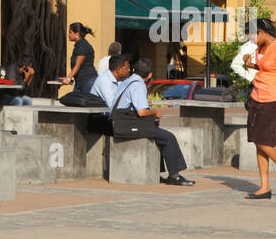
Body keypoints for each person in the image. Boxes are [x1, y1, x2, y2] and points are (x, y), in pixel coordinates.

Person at [113, 56, 194, 186]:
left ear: (134, 69)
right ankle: (174, 175)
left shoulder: (128, 81)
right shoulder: (138, 85)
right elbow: (142, 112)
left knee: (158, 134)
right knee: (168, 137)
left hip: (121, 122)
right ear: (150, 74)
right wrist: (155, 112)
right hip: (127, 125)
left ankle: (157, 172)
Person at [243, 18, 276, 200]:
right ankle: (264, 187)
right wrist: (251, 64)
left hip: (273, 101)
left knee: (264, 142)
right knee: (258, 143)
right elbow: (266, 68)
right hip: (257, 98)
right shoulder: (261, 48)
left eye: (252, 37)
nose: (251, 42)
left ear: (261, 32)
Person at [58, 23, 98, 106]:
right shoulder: (78, 45)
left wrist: (68, 79)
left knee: (84, 106)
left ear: (77, 34)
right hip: (80, 82)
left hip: (87, 81)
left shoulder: (82, 46)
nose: (68, 35)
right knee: (74, 104)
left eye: (70, 32)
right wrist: (68, 78)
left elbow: (77, 65)